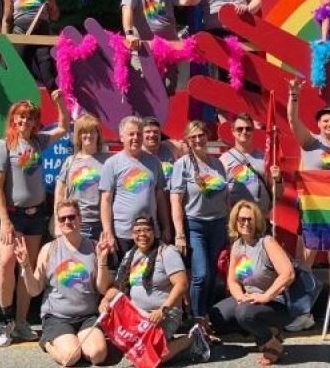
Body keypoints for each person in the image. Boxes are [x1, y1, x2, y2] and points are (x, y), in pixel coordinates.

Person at [0, 92, 70, 346]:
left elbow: (64, 127)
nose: (24, 121)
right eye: (20, 116)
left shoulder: (39, 141)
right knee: (6, 263)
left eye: (29, 117)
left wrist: (58, 103)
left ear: (35, 121)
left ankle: (22, 321)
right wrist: (4, 221)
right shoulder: (4, 146)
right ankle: (5, 322)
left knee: (28, 268)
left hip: (35, 216)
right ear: (13, 118)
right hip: (13, 217)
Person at [285, 79, 330, 332]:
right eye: (325, 120)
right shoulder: (310, 142)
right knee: (304, 262)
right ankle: (303, 313)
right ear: (319, 124)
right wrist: (294, 95)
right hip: (313, 212)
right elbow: (292, 121)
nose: (329, 124)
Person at [16, 199, 113, 366]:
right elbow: (34, 290)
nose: (67, 221)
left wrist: (103, 261)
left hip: (87, 317)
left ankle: (77, 339)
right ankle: (47, 342)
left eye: (71, 217)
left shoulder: (93, 247)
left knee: (97, 355)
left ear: (80, 218)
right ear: (58, 222)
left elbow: (102, 288)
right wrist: (25, 265)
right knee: (70, 358)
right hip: (57, 318)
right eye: (62, 219)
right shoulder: (49, 249)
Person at [208, 200, 294, 366]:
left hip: (277, 302)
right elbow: (232, 281)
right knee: (217, 315)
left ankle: (272, 345)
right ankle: (267, 331)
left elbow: (288, 273)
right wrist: (241, 297)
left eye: (250, 219)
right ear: (235, 222)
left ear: (257, 221)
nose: (246, 223)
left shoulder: (267, 242)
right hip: (250, 299)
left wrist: (265, 296)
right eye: (242, 219)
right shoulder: (237, 246)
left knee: (243, 313)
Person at [100, 215, 194, 363]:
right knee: (133, 350)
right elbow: (117, 287)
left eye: (147, 230)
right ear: (132, 234)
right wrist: (105, 300)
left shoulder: (167, 252)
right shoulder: (130, 256)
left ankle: (192, 338)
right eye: (138, 231)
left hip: (164, 313)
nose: (142, 234)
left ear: (154, 232)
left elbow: (182, 284)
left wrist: (162, 310)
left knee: (153, 357)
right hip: (138, 315)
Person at [170, 121, 231, 335]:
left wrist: (229, 227)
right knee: (200, 275)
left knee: (213, 275)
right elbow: (176, 200)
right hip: (195, 225)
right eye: (193, 136)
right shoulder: (182, 165)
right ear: (187, 139)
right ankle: (196, 320)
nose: (198, 140)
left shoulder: (217, 165)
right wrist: (179, 234)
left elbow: (227, 198)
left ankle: (206, 318)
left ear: (208, 137)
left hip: (218, 225)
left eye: (202, 135)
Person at [100, 116, 172, 260]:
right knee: (124, 279)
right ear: (122, 137)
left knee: (150, 277)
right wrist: (108, 232)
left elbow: (160, 198)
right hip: (123, 234)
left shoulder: (154, 162)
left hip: (149, 233)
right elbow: (106, 201)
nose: (136, 137)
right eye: (131, 134)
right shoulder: (112, 163)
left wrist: (166, 227)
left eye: (139, 134)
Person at [1, 0, 58, 86]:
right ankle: (22, 105)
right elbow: (7, 18)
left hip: (42, 35)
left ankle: (56, 103)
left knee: (48, 71)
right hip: (21, 34)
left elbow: (55, 17)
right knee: (20, 71)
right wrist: (5, 41)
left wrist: (51, 5)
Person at [55, 114, 106, 242]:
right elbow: (60, 194)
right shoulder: (69, 162)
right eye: (84, 132)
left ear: (98, 134)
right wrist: (57, 223)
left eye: (92, 131)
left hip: (100, 226)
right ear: (78, 135)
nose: (88, 135)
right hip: (73, 223)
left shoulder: (108, 161)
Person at [221, 113, 282, 216]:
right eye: (240, 129)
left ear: (253, 131)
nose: (244, 132)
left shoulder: (265, 158)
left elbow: (278, 194)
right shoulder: (224, 159)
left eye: (248, 129)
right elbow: (217, 193)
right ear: (233, 132)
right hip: (236, 221)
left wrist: (278, 180)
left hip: (261, 219)